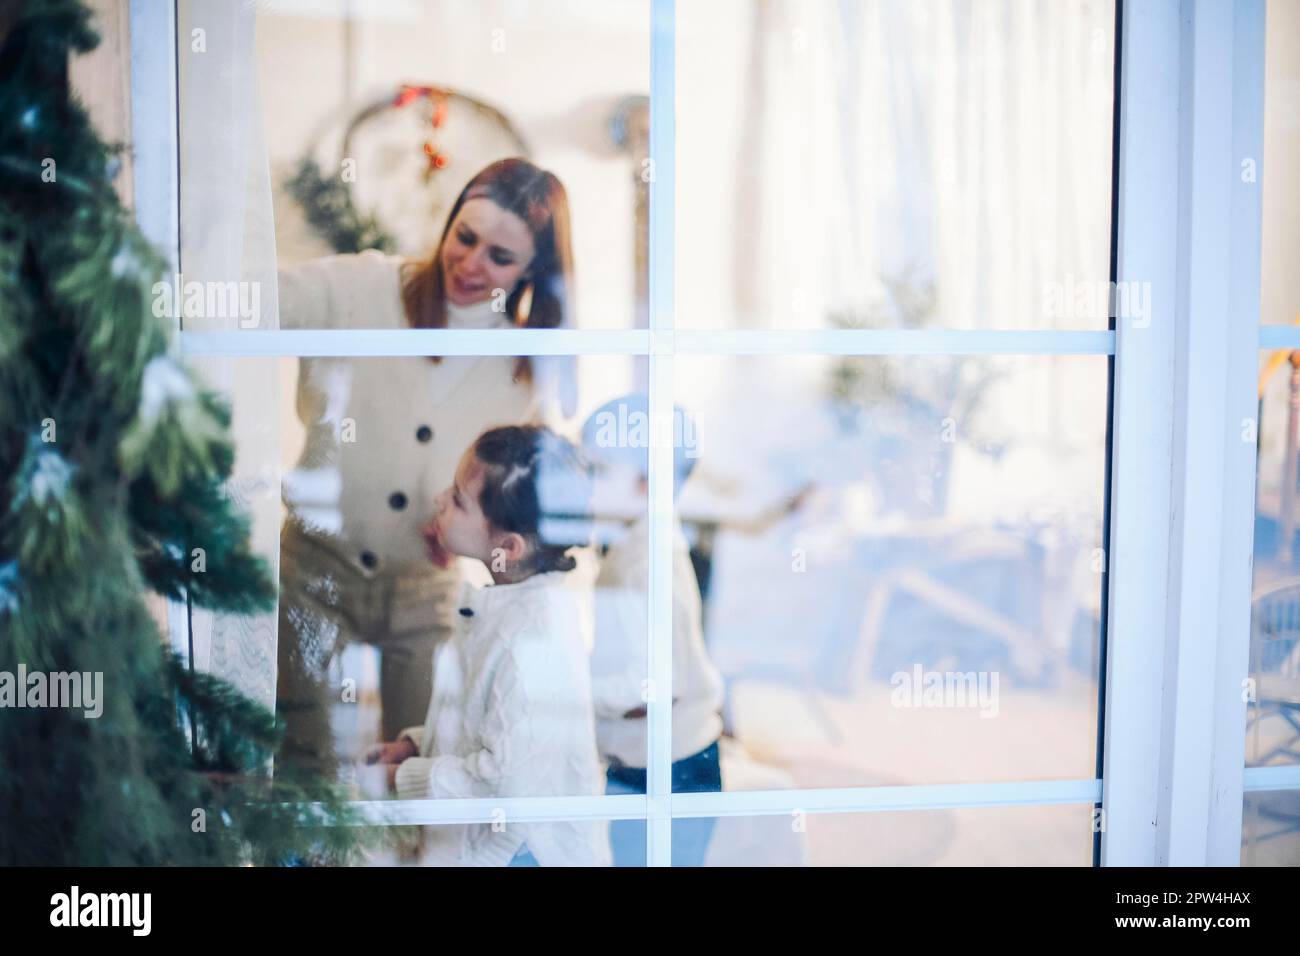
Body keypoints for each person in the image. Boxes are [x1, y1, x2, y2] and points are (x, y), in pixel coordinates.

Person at [274, 158, 576, 779]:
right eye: (463, 237)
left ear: (532, 272)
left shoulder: (525, 367)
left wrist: (483, 542)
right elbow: (250, 299)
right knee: (305, 764)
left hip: (425, 594)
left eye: (499, 256)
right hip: (315, 569)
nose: (469, 265)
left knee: (424, 763)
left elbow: (520, 506)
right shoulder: (361, 286)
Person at [365, 425, 608, 867]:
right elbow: (487, 725)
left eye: (458, 499)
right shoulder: (504, 606)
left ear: (508, 547)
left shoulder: (533, 637)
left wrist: (405, 777)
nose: (440, 499)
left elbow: (503, 784)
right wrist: (417, 746)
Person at [580, 395, 726, 867]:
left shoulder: (644, 564)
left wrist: (569, 691)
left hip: (669, 767)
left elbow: (653, 686)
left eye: (598, 469)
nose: (582, 482)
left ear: (647, 485)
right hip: (655, 759)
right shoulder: (646, 541)